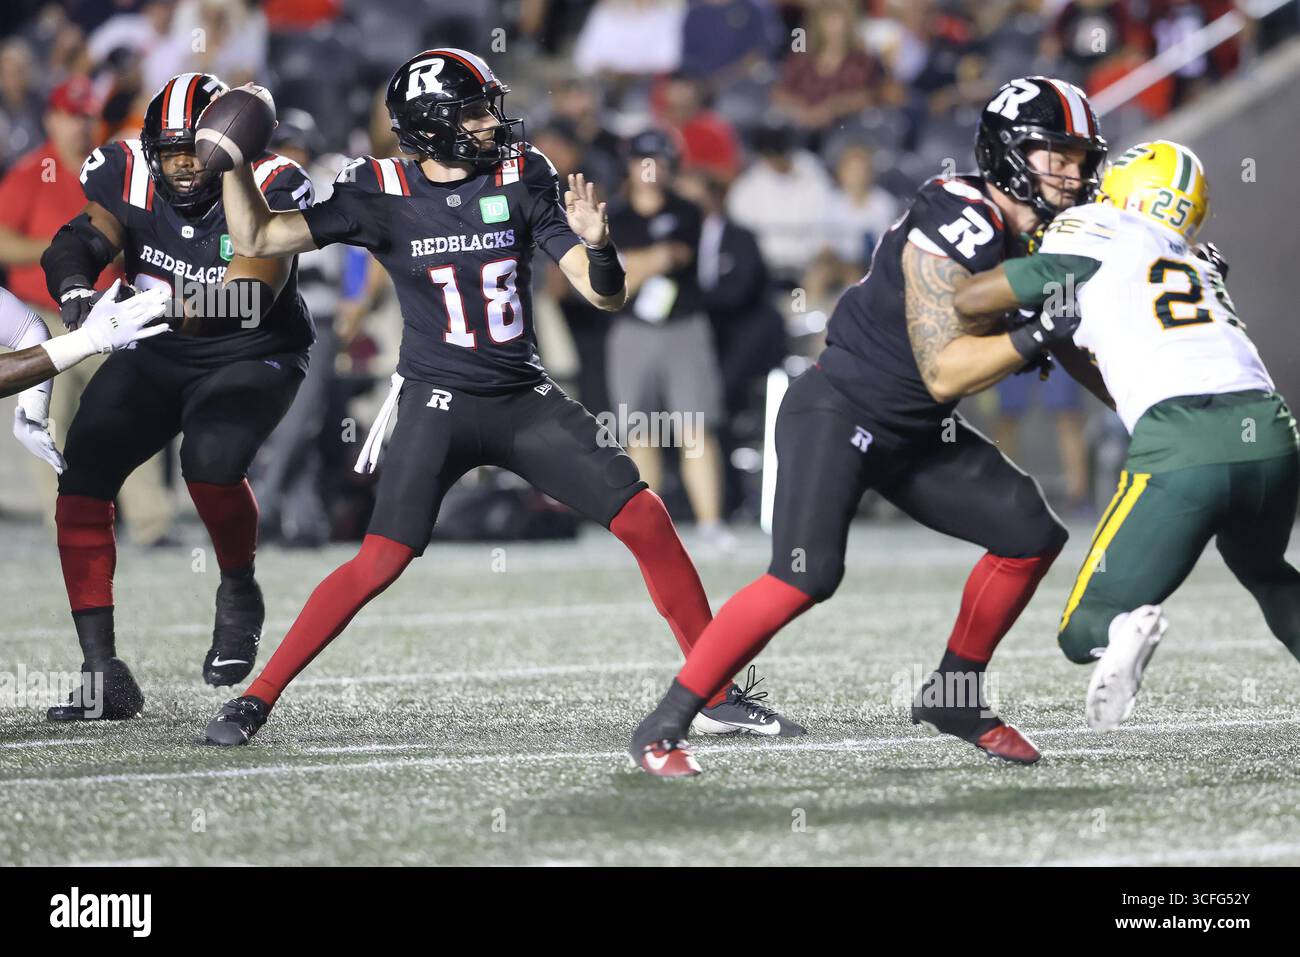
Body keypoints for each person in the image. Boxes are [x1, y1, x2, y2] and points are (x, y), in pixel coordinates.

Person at [203, 49, 803, 745]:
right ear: (433, 126)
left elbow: (603, 293)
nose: (493, 122)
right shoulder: (380, 186)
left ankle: (717, 692)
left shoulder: (524, 174)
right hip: (436, 404)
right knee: (379, 560)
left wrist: (601, 245)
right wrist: (236, 165)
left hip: (523, 398)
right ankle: (258, 696)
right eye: (475, 111)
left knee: (646, 517)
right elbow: (255, 234)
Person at [629, 76, 1110, 776]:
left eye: (1079, 158)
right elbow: (946, 368)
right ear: (1010, 153)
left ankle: (955, 694)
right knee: (804, 573)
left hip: (916, 432)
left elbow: (1065, 338)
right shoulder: (958, 210)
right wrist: (1035, 333)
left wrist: (1152, 395)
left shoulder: (1043, 232)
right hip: (840, 408)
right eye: (1054, 155)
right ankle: (663, 723)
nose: (1071, 172)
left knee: (1028, 534)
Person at [953, 140, 1300, 732]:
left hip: (1185, 441)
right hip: (1273, 433)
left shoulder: (1097, 228)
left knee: (1083, 628)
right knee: (1265, 568)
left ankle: (1121, 630)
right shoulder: (1188, 256)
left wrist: (971, 298)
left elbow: (974, 299)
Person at [42, 71, 317, 720]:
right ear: (151, 153)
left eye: (200, 151)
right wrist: (78, 291)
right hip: (159, 351)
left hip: (253, 350)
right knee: (82, 477)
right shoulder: (124, 172)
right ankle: (101, 668)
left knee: (211, 460)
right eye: (174, 154)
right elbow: (79, 240)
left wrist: (158, 308)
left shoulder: (267, 180)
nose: (188, 167)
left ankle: (239, 589)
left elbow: (253, 294)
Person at [607, 129, 730, 546]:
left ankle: (710, 524)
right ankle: (651, 531)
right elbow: (616, 275)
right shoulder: (615, 214)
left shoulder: (686, 210)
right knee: (639, 430)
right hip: (632, 330)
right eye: (644, 160)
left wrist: (634, 266)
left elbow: (662, 260)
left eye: (659, 160)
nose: (651, 169)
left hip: (683, 328)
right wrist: (649, 261)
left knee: (694, 427)